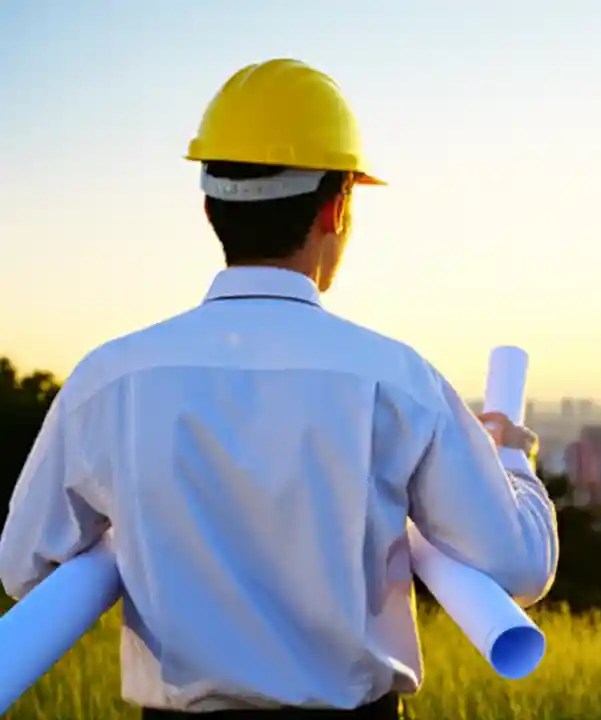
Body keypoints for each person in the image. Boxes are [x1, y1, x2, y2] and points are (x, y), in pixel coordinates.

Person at [0, 58, 558, 719]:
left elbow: (25, 570)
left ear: (209, 204)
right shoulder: (396, 380)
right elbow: (519, 569)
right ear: (337, 207)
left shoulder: (110, 380)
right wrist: (510, 457)